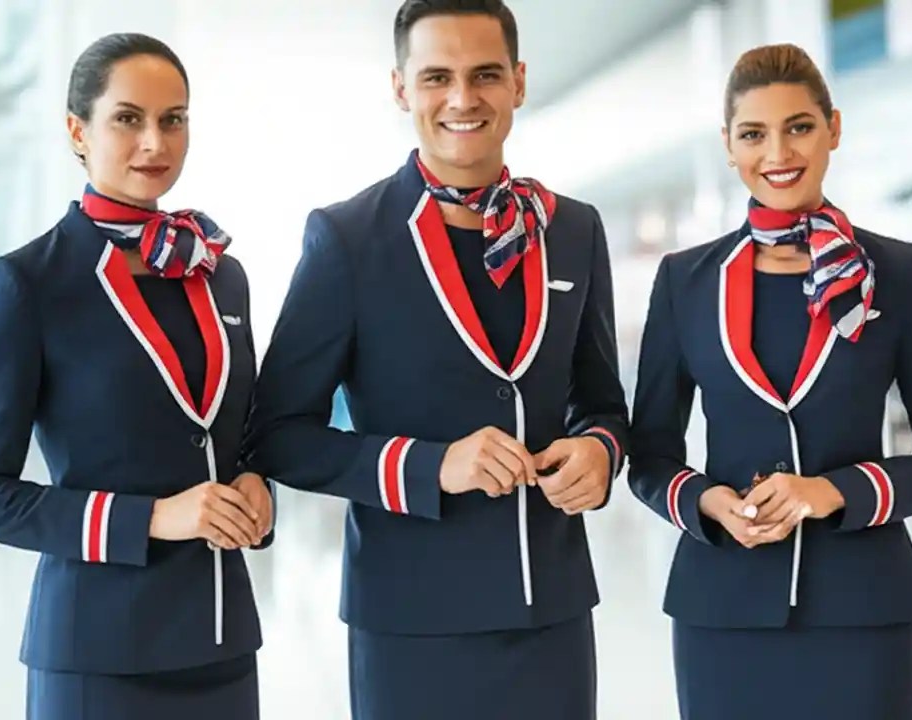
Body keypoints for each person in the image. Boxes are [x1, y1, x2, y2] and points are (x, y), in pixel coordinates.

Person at [239, 2, 628, 718]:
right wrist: (430, 466)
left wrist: (601, 451)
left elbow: (602, 403)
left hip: (554, 615)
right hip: (410, 623)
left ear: (518, 81)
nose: (461, 99)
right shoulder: (347, 240)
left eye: (484, 75)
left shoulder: (573, 229)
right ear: (400, 88)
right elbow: (276, 435)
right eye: (436, 77)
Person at [626, 43, 912, 720]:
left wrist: (832, 491)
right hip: (721, 608)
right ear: (728, 147)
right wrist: (706, 503)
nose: (778, 152)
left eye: (799, 126)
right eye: (753, 134)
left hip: (864, 608)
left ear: (833, 130)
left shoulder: (898, 273)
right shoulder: (686, 281)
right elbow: (648, 455)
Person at [0, 32, 273, 720]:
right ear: (77, 131)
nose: (155, 142)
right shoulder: (29, 283)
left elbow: (233, 440)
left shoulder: (221, 277)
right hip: (97, 654)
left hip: (222, 647)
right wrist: (154, 518)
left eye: (173, 119)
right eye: (129, 118)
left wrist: (256, 489)